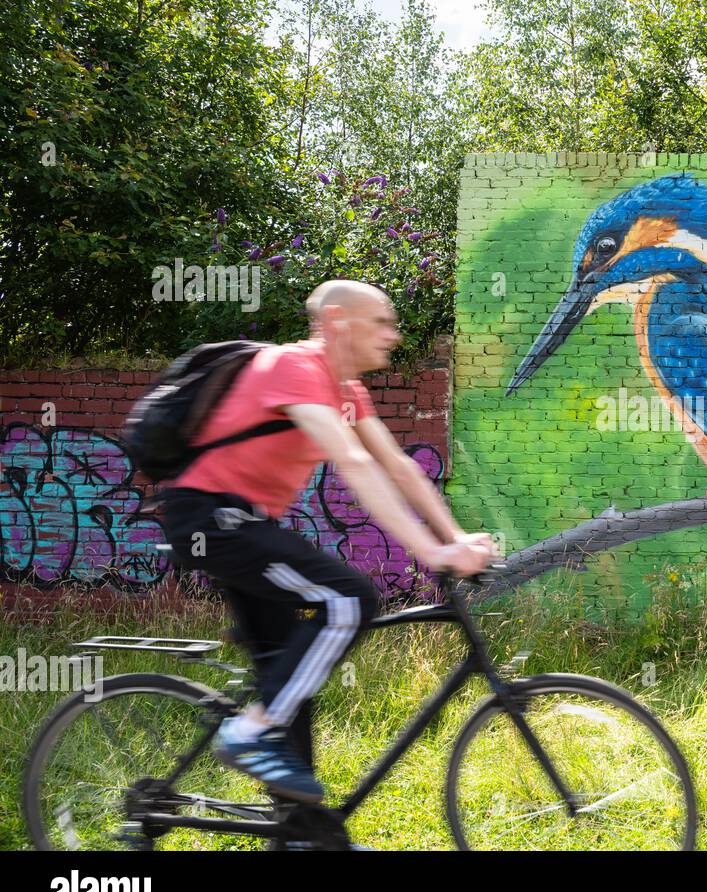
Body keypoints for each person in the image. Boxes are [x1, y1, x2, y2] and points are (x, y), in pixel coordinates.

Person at [160, 279, 496, 803]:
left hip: (245, 523)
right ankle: (248, 733)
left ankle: (299, 834)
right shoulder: (292, 367)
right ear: (338, 320)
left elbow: (399, 467)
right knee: (348, 598)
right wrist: (429, 552)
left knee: (289, 674)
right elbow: (354, 462)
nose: (394, 334)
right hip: (210, 519)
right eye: (382, 321)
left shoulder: (347, 390)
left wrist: (454, 537)